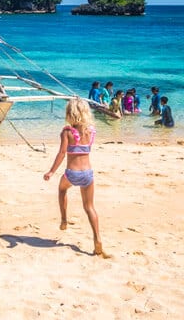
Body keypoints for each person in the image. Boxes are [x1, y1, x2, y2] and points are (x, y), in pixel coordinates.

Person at [43, 98, 110, 258]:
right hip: (88, 174)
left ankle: (64, 220)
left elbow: (62, 153)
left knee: (61, 190)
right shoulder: (91, 131)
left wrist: (51, 172)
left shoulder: (67, 132)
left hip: (71, 174)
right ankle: (97, 239)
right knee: (89, 207)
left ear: (69, 113)